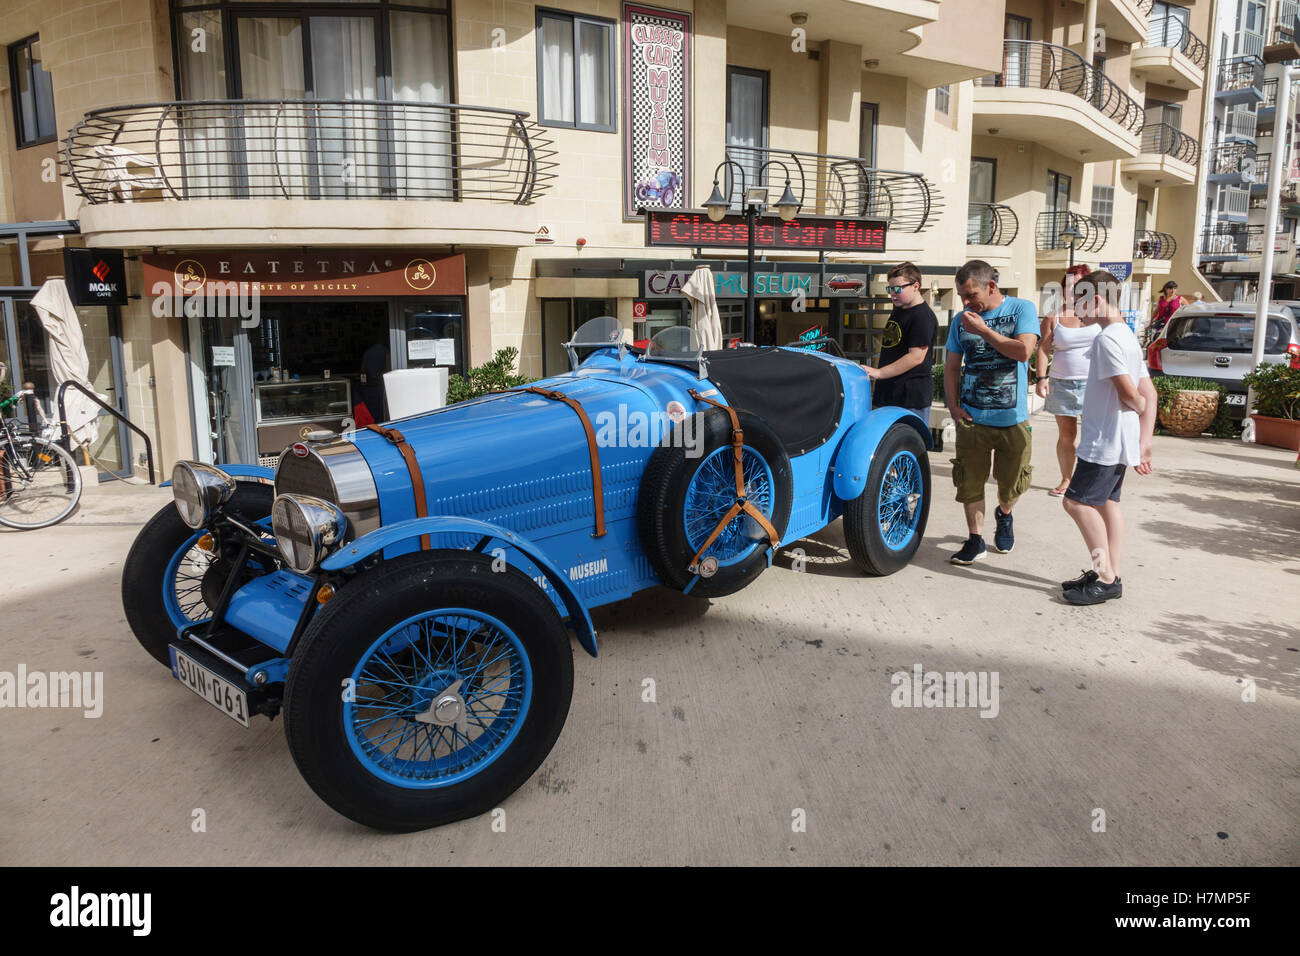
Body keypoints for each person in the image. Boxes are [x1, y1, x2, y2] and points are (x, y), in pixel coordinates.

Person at [1060, 270, 1158, 606]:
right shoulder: (1127, 335)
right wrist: (1144, 439)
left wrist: (1138, 408)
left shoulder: (1107, 339)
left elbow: (1134, 395)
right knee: (1107, 504)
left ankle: (1105, 576)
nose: (1076, 310)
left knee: (1075, 502)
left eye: (1080, 303)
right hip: (1119, 440)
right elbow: (1150, 391)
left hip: (1103, 440)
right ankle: (1109, 574)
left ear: (1097, 300)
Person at [944, 259, 1040, 564]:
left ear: (992, 286)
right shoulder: (961, 320)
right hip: (973, 418)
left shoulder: (1022, 309)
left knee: (1011, 484)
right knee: (969, 481)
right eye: (962, 296)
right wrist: (953, 406)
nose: (966, 302)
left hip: (1012, 419)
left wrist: (984, 331)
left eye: (971, 295)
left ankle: (1005, 513)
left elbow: (1023, 351)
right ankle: (975, 540)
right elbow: (950, 367)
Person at [1035, 264, 1100, 496]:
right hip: (1063, 383)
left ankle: (1090, 481)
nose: (1073, 291)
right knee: (1067, 435)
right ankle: (1067, 479)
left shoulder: (1099, 317)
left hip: (1095, 384)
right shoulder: (1055, 317)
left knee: (1094, 434)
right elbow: (1043, 349)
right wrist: (1041, 378)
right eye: (1068, 286)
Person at [867, 261, 939, 423]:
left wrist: (878, 373)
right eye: (890, 289)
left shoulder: (922, 317)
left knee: (906, 445)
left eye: (898, 289)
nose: (893, 294)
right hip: (888, 394)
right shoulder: (899, 310)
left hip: (909, 399)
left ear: (915, 286)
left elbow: (916, 357)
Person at [1145, 280, 1184, 347]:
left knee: (1173, 342)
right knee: (1158, 342)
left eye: (1175, 288)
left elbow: (1189, 308)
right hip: (1162, 324)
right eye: (1171, 288)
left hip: (1174, 324)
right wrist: (1150, 322)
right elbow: (1156, 311)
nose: (1173, 290)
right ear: (1166, 289)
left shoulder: (1180, 299)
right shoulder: (1161, 299)